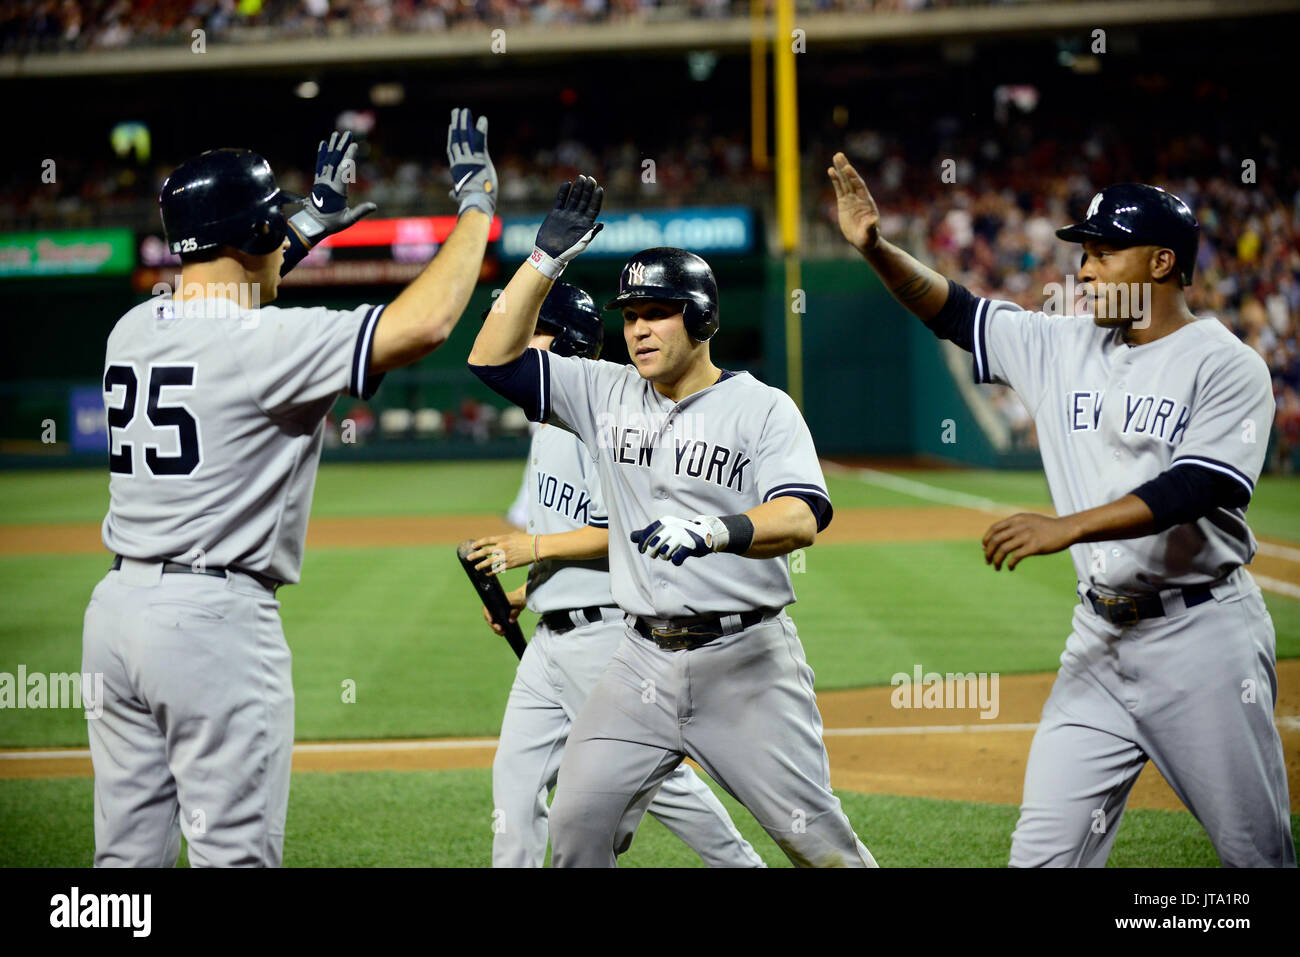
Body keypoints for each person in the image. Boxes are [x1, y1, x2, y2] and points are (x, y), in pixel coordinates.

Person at [828, 152, 1295, 867]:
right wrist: (875, 249)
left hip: (1201, 640)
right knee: (1041, 859)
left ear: (1163, 262)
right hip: (1097, 644)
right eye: (1086, 250)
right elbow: (953, 311)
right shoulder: (1062, 344)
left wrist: (1066, 526)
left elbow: (1203, 484)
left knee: (1256, 857)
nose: (1087, 266)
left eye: (1106, 251)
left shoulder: (1224, 363)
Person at [83, 110, 497, 866]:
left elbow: (230, 283)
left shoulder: (134, 327)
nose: (283, 237)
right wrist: (475, 208)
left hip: (114, 620)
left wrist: (304, 223)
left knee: (126, 866)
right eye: (273, 226)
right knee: (234, 856)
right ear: (253, 239)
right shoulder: (268, 343)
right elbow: (429, 321)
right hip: (210, 627)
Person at [467, 175, 878, 867]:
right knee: (575, 827)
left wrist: (716, 530)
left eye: (658, 312)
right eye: (630, 315)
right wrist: (544, 262)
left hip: (745, 662)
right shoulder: (603, 391)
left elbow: (802, 516)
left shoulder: (762, 407)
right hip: (638, 663)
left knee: (817, 844)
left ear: (702, 318)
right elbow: (491, 360)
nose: (639, 329)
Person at [466, 281, 764, 868]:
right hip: (550, 641)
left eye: (533, 332)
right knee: (516, 783)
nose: (519, 343)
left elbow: (625, 532)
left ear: (569, 341)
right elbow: (566, 532)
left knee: (661, 788)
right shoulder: (548, 422)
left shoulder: (603, 419)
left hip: (607, 635)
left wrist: (531, 547)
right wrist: (530, 593)